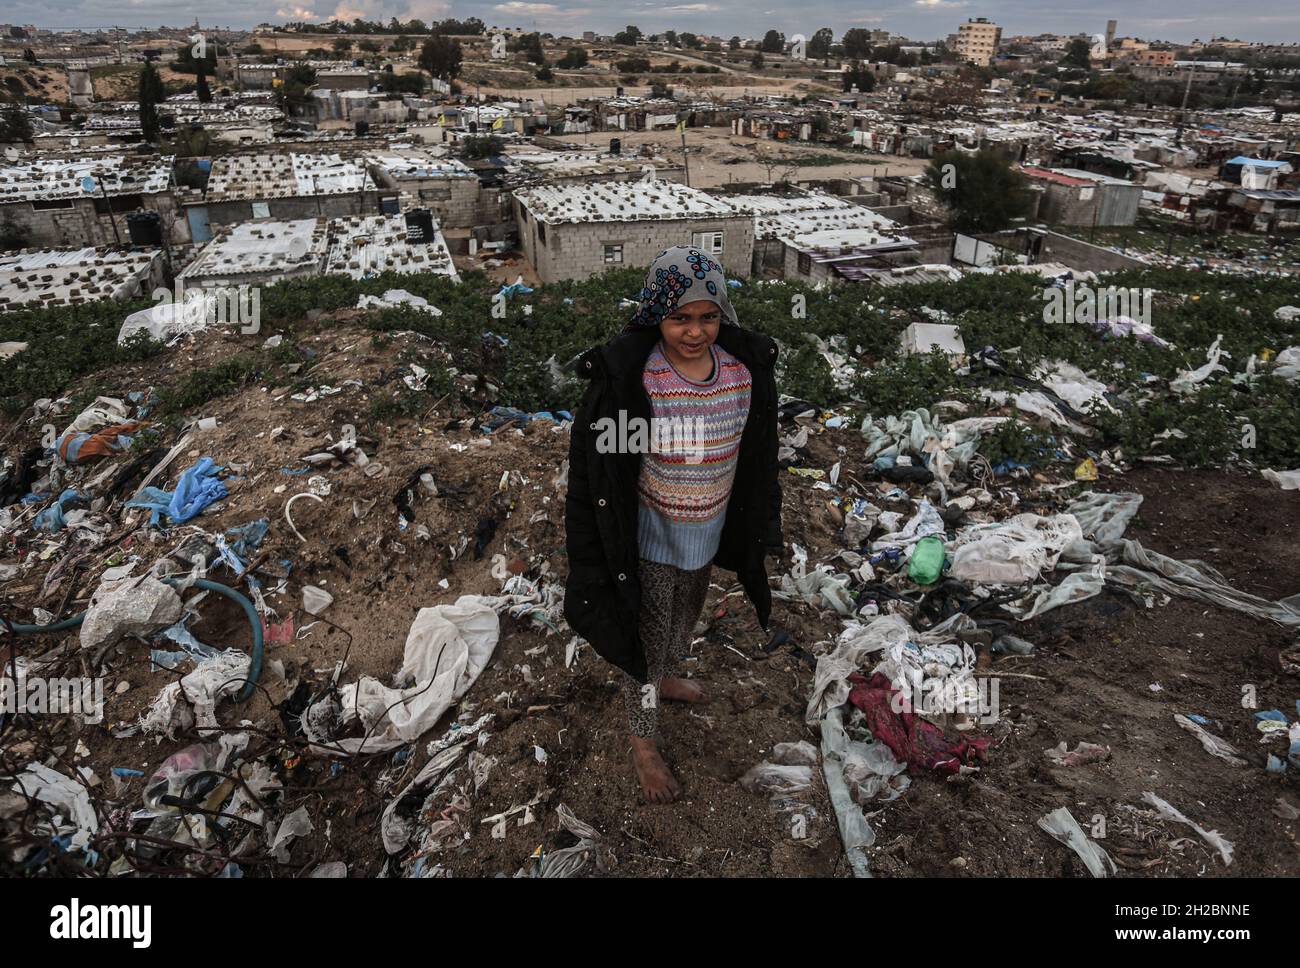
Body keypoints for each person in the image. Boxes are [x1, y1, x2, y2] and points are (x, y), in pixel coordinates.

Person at [563, 245, 783, 803]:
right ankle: (644, 743)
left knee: (684, 620)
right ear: (654, 316)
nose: (695, 331)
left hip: (704, 537)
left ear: (724, 316)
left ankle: (662, 677)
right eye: (679, 317)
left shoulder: (740, 376)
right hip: (651, 542)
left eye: (708, 316)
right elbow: (604, 466)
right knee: (646, 644)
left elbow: (755, 455)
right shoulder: (641, 382)